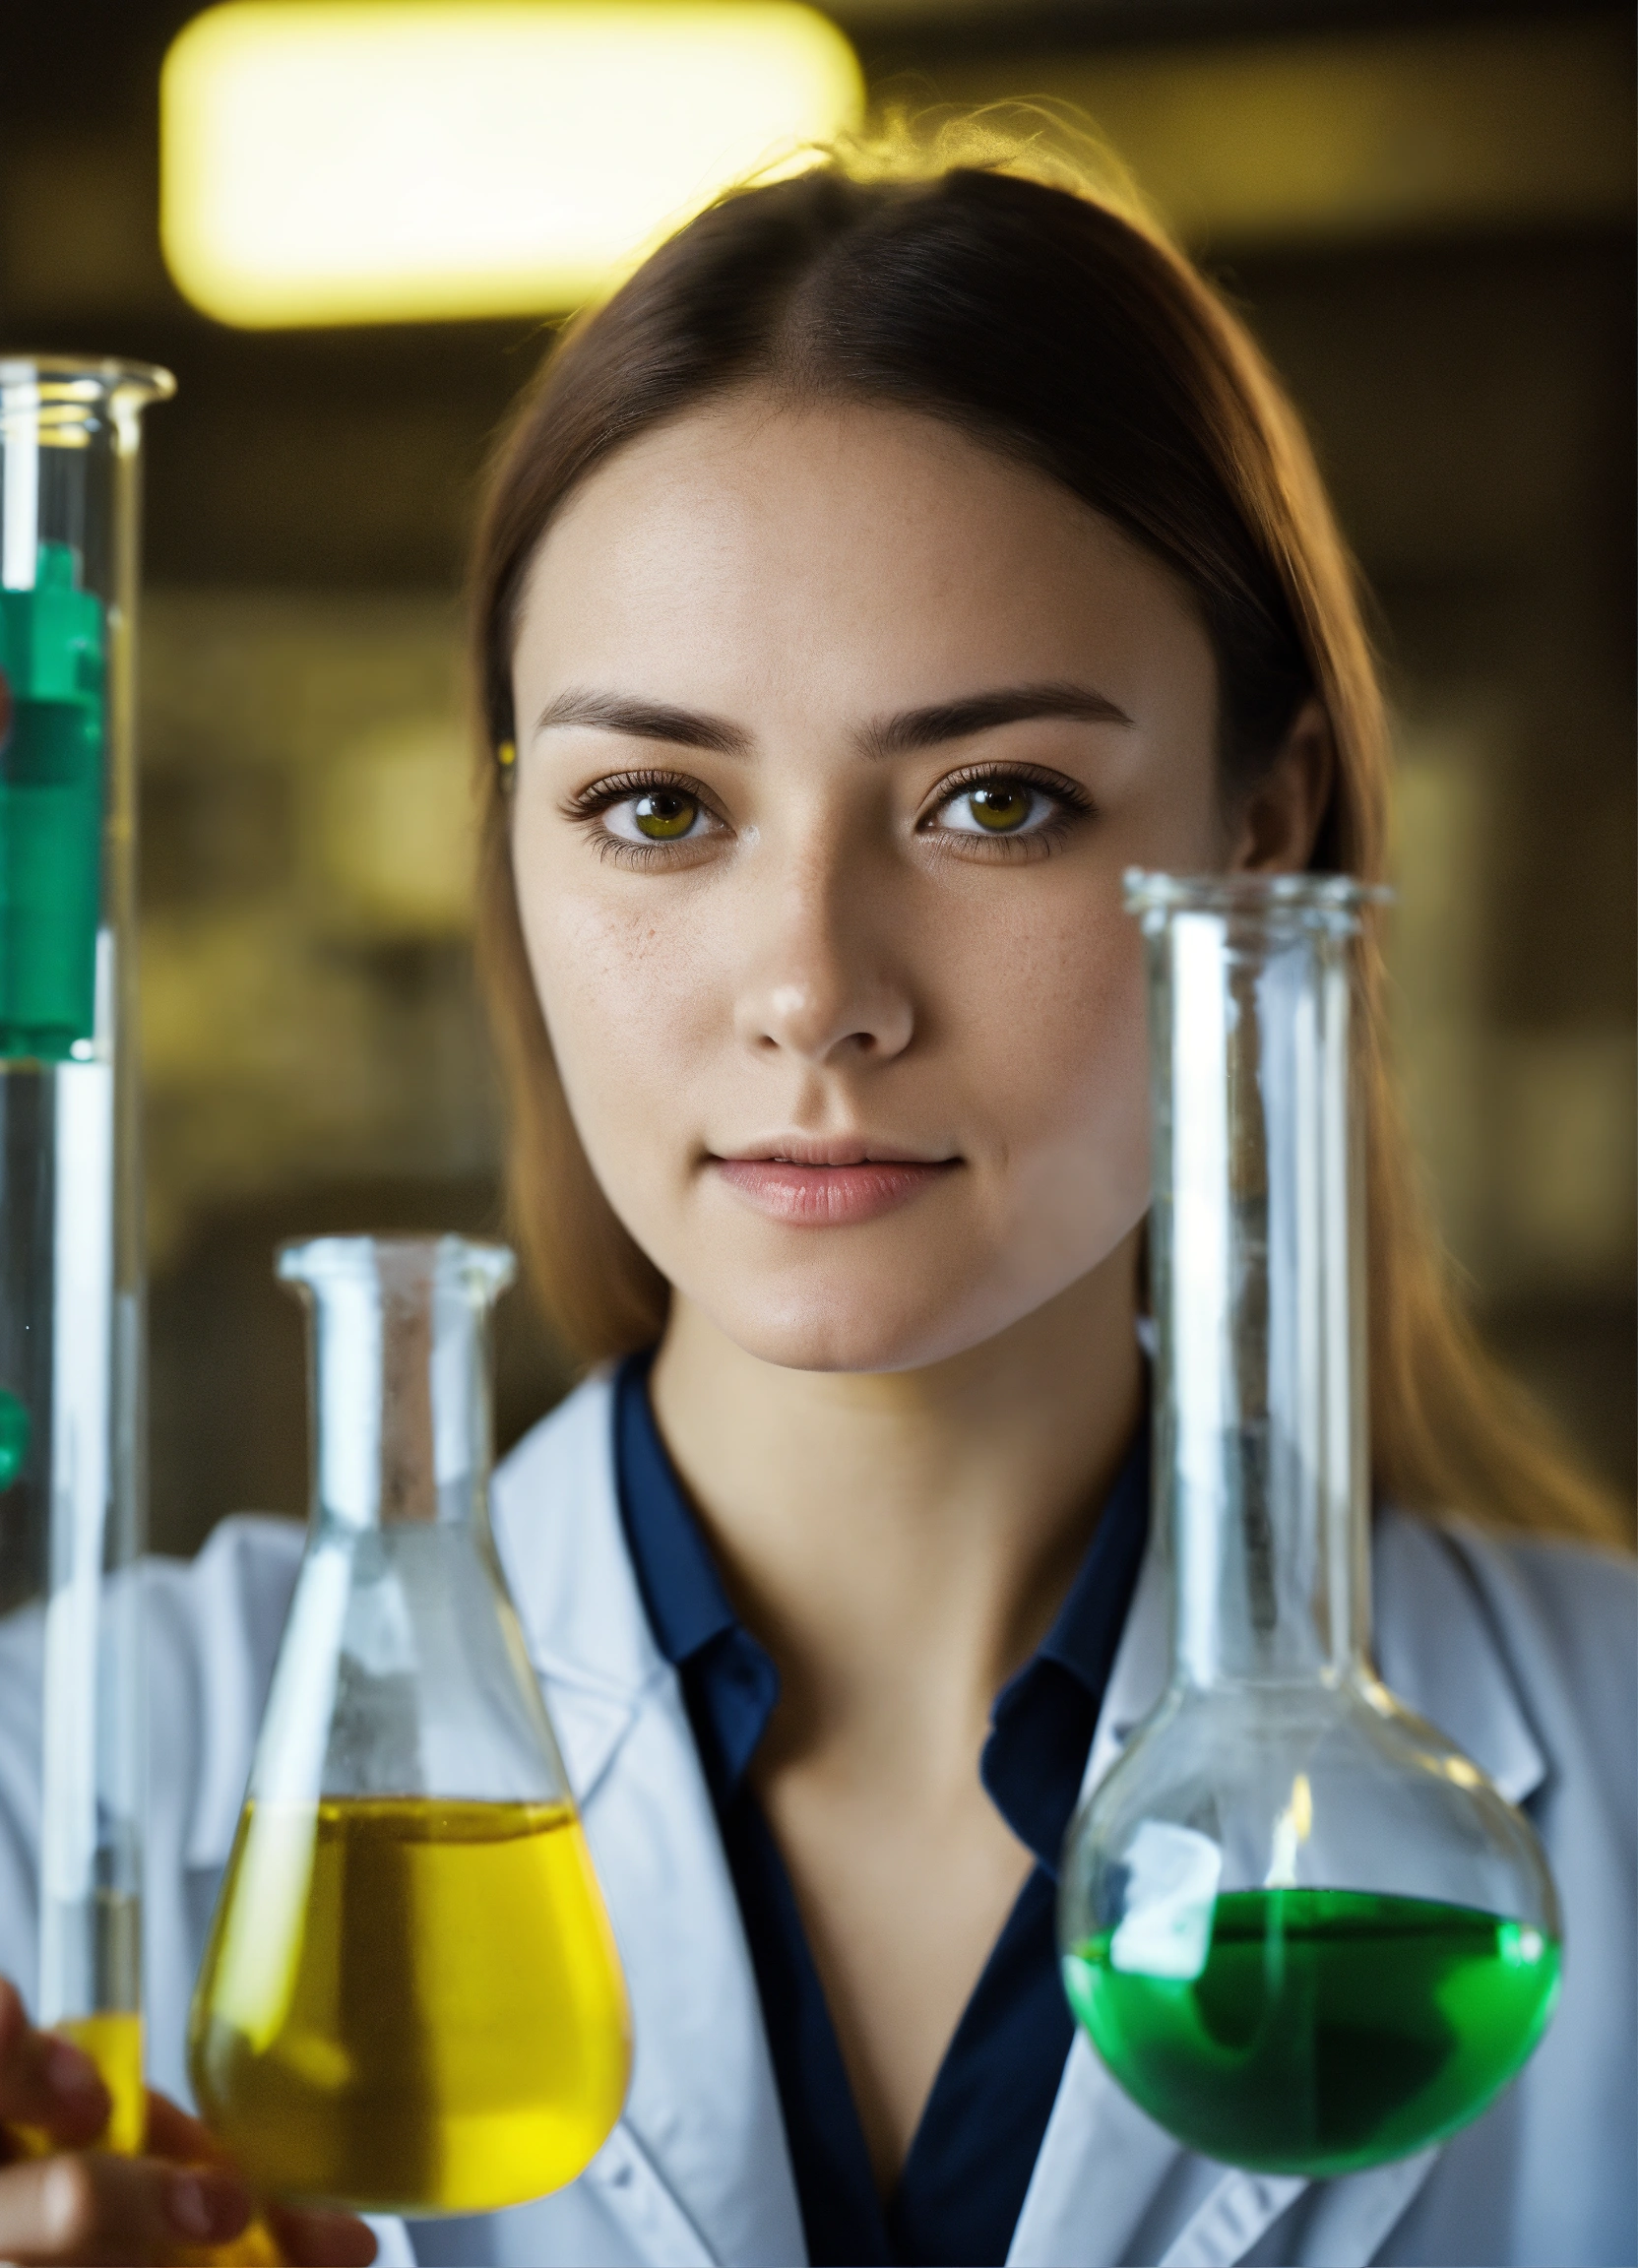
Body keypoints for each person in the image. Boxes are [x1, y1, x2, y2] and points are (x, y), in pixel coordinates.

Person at [0, 130, 1632, 2268]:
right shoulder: (66, 1790)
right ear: (515, 851)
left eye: (994, 801)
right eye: (656, 806)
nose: (813, 992)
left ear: (1263, 834)